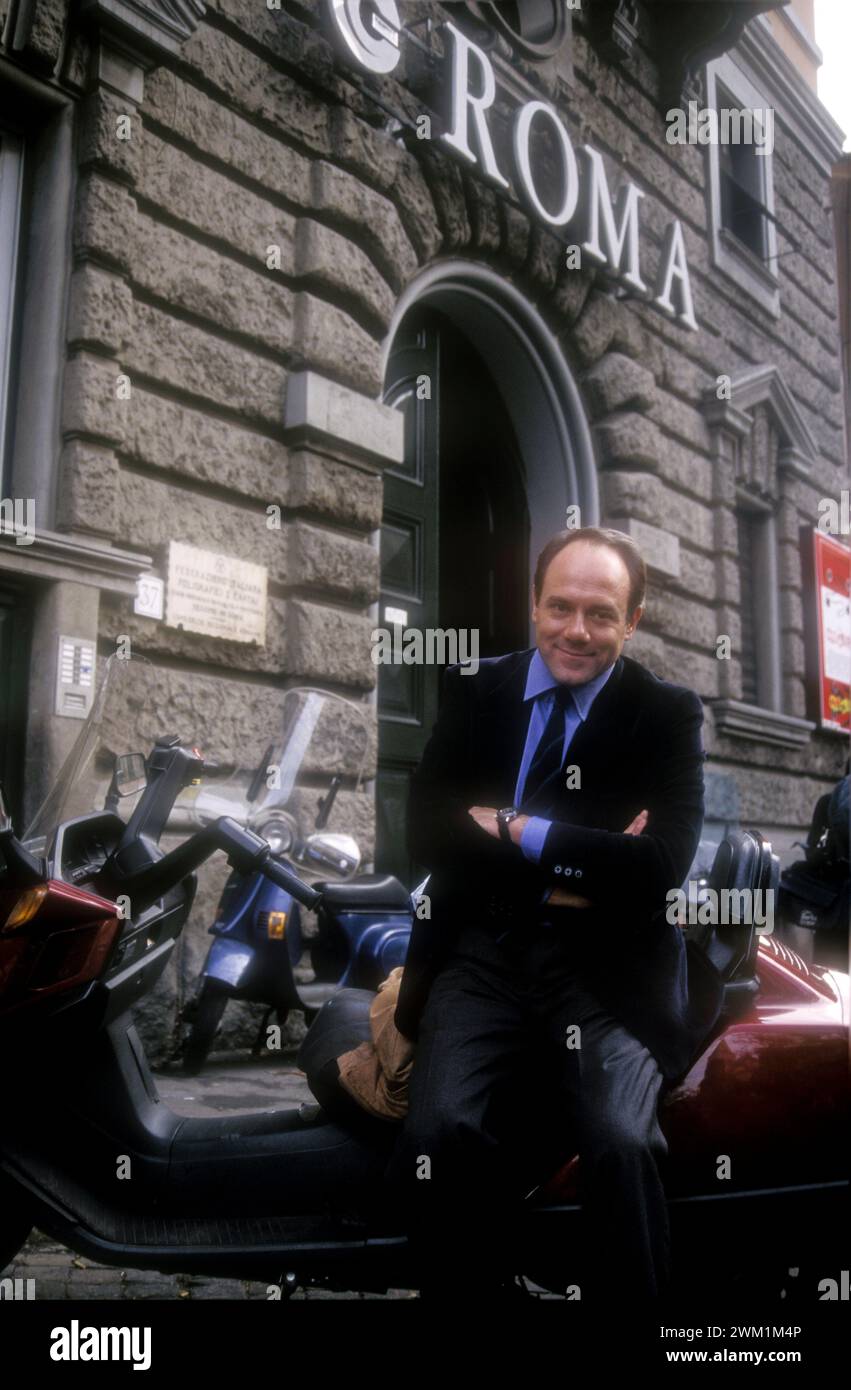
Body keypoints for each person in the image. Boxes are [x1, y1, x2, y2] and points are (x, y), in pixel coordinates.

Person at [383, 526, 725, 1302]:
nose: (576, 630)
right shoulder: (476, 691)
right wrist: (577, 866)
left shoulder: (666, 714)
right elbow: (426, 834)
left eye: (600, 614)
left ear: (631, 622)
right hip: (480, 961)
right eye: (559, 607)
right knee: (439, 1133)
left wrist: (512, 828)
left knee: (619, 1139)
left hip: (610, 972)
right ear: (532, 606)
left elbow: (659, 867)